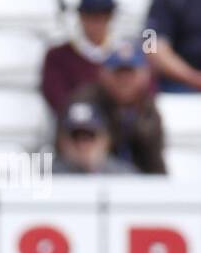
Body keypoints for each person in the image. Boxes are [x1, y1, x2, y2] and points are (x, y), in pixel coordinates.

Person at [69, 40, 166, 174]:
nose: (125, 81)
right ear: (104, 74)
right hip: (87, 179)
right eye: (118, 73)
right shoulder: (86, 100)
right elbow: (69, 148)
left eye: (130, 74)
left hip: (137, 184)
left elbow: (154, 161)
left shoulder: (147, 108)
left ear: (143, 76)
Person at [42, 0, 119, 114]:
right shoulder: (58, 57)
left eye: (104, 13)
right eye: (91, 13)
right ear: (80, 15)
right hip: (78, 131)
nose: (98, 20)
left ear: (111, 16)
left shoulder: (125, 56)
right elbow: (60, 102)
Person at [52, 100, 137, 174]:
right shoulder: (47, 177)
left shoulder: (125, 176)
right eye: (75, 136)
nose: (82, 145)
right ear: (62, 141)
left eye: (90, 136)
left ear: (105, 139)